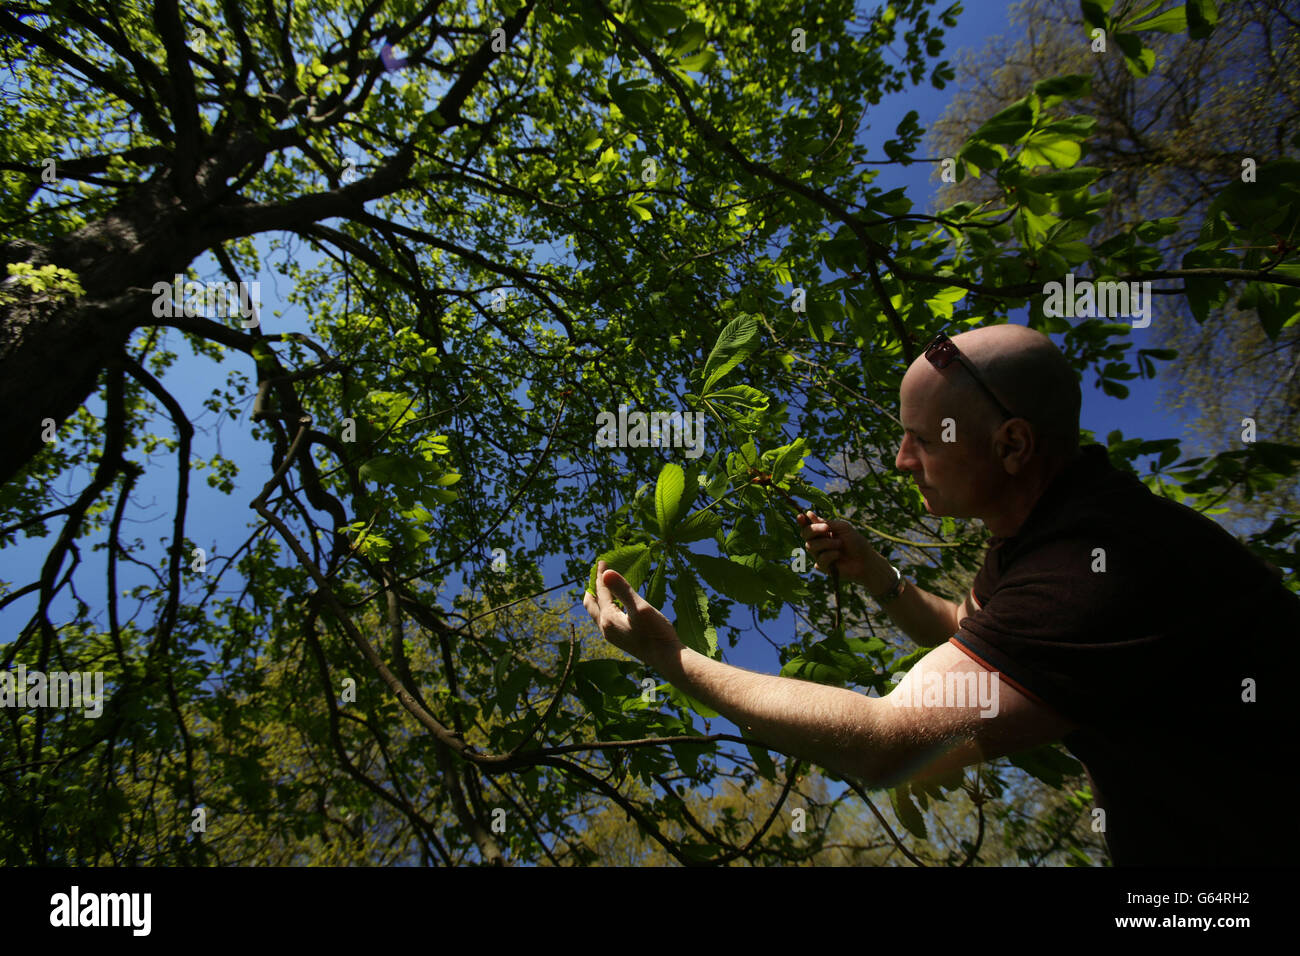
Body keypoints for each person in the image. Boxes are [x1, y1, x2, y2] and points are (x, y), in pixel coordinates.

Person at [583, 324, 1300, 865]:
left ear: (1012, 445)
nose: (901, 461)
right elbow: (973, 629)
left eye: (921, 439)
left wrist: (672, 659)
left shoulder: (1094, 566)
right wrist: (879, 576)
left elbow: (887, 743)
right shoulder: (1048, 531)